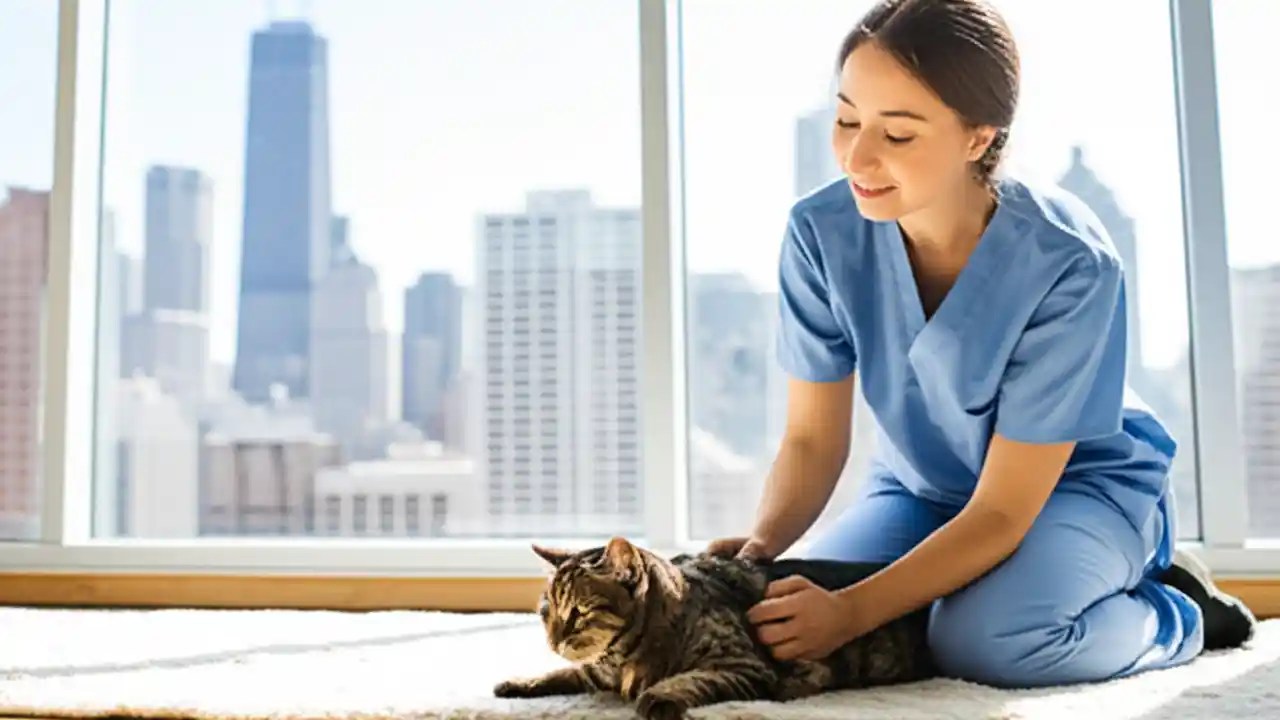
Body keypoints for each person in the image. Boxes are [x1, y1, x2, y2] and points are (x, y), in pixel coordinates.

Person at [706, 0, 1256, 689]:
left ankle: (1177, 611)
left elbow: (1002, 510)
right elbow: (814, 441)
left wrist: (850, 611)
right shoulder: (820, 233)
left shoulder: (1069, 261)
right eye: (845, 120)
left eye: (898, 135)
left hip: (1073, 491)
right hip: (922, 489)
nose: (858, 155)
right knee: (784, 609)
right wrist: (759, 551)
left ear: (978, 137)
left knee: (984, 641)